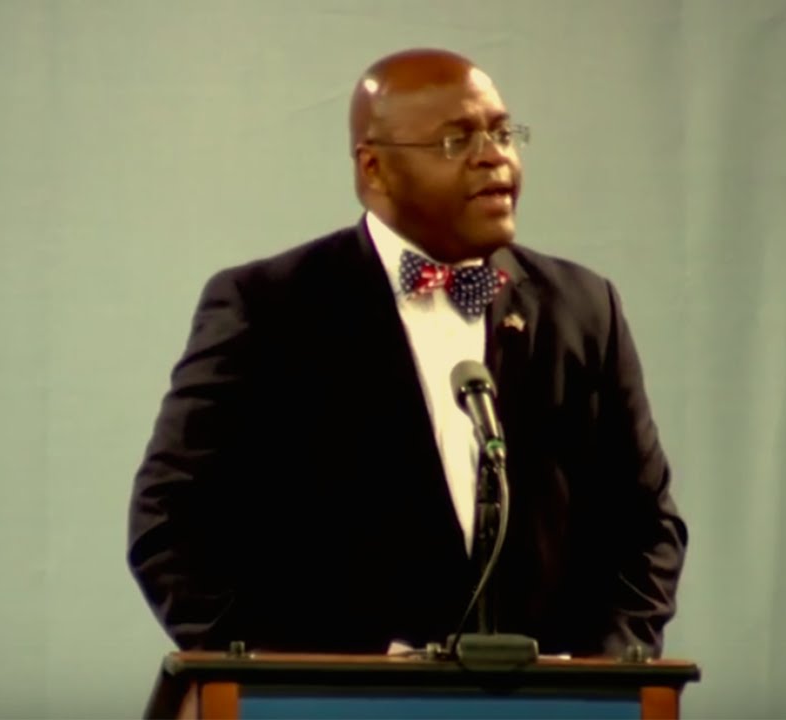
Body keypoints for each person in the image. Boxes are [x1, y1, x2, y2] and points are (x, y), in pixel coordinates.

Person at [126, 47, 687, 658]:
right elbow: (170, 522)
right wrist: (287, 674)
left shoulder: (583, 309)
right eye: (456, 141)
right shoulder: (268, 306)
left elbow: (647, 526)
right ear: (374, 170)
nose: (494, 157)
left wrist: (600, 674)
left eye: (502, 132)